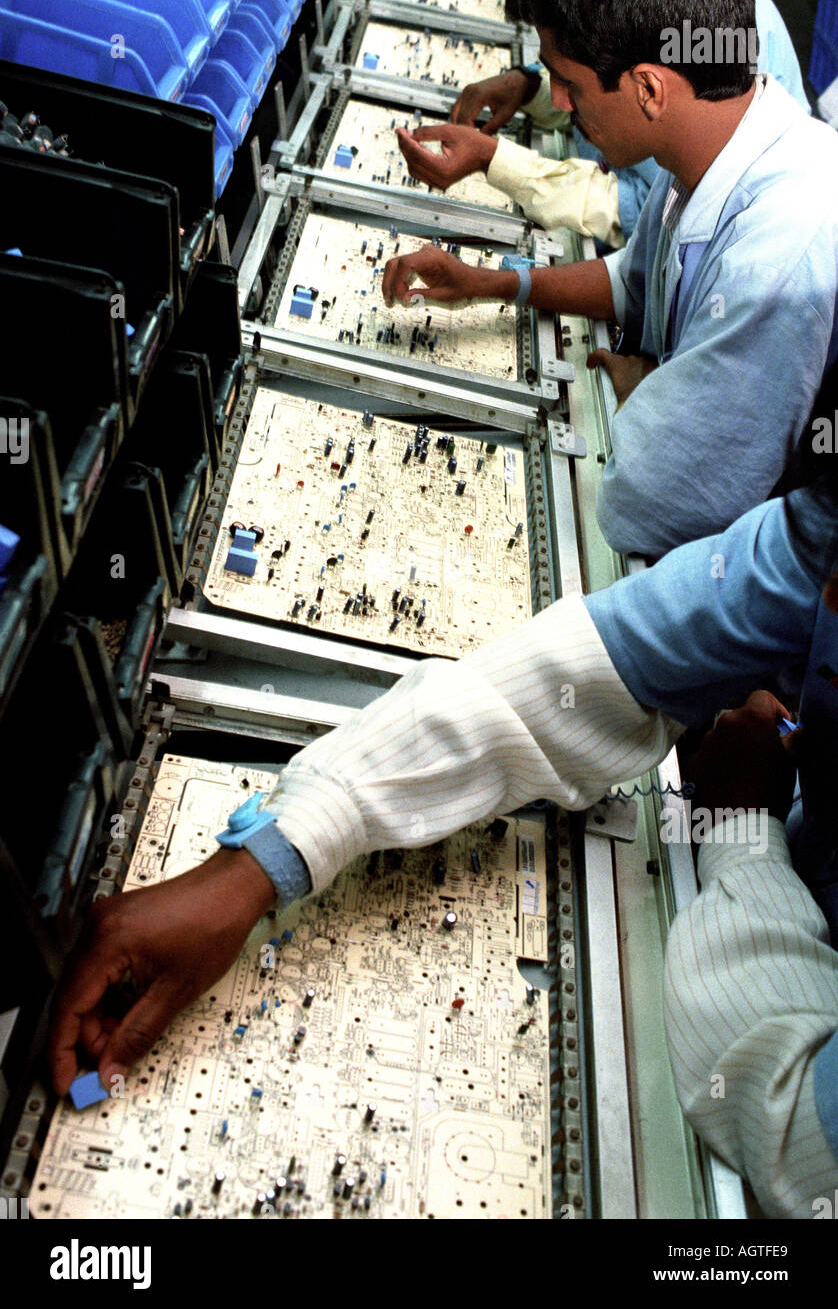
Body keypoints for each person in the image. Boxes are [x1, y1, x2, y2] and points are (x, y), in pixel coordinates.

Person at [48, 466, 838, 1218]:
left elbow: (795, 1130)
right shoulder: (823, 539)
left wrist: (741, 832)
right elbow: (599, 661)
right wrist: (268, 854)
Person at [382, 0, 838, 558]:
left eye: (570, 83)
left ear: (650, 89)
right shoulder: (712, 145)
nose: (561, 105)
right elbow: (634, 278)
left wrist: (651, 400)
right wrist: (496, 283)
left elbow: (643, 509)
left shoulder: (773, 266)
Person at [404, 0, 809, 250]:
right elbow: (607, 89)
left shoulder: (712, 34)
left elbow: (642, 210)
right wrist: (530, 86)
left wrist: (495, 160)